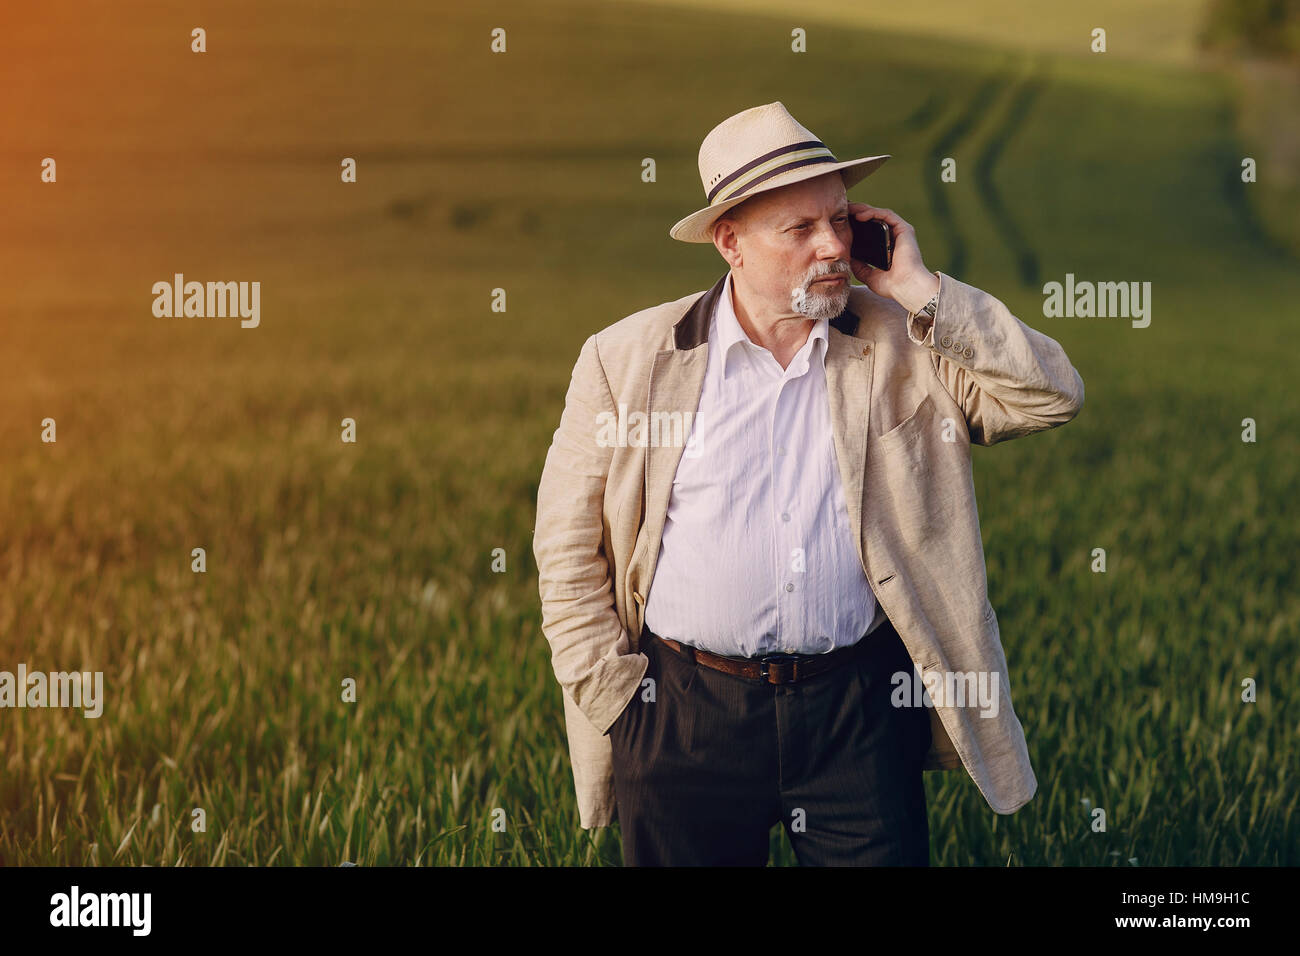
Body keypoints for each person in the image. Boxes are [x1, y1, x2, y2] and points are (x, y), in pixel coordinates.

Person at [532, 101, 1084, 866]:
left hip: (856, 713)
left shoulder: (903, 342)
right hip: (680, 715)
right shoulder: (625, 361)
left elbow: (1050, 396)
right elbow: (565, 553)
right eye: (799, 229)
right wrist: (618, 701)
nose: (830, 246)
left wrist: (923, 291)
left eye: (839, 220)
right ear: (730, 242)